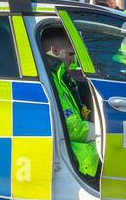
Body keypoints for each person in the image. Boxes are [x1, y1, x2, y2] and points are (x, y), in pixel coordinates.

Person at [40, 29, 100, 180]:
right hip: (75, 165)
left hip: (79, 162)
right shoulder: (52, 80)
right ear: (54, 49)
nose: (73, 61)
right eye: (70, 54)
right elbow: (70, 128)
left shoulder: (60, 78)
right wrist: (101, 132)